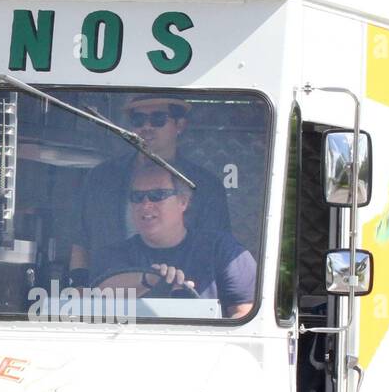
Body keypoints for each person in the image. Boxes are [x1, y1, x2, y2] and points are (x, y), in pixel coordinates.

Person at [68, 93, 232, 276]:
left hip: (178, 294)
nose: (146, 127)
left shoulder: (204, 185)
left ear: (180, 125)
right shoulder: (101, 177)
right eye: (138, 120)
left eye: (158, 119)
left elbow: (216, 249)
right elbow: (81, 240)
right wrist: (79, 287)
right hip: (110, 291)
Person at [91, 163, 257, 318]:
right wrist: (150, 280)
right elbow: (98, 303)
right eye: (137, 197)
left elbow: (246, 318)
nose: (146, 204)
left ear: (183, 202)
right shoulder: (112, 255)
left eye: (158, 195)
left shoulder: (221, 250)